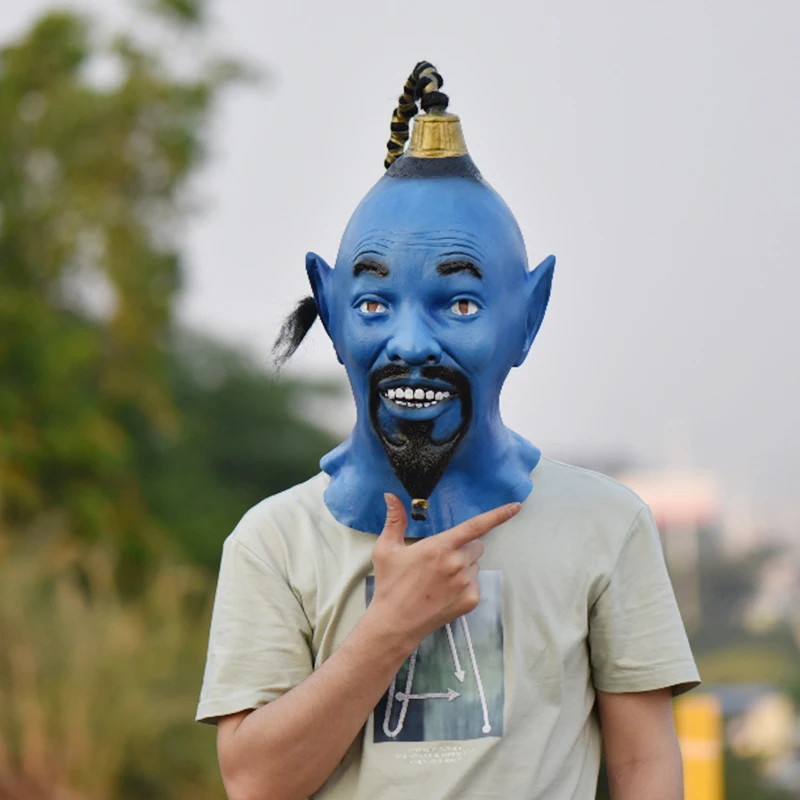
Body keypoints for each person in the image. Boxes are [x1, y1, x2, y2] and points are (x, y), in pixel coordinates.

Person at [196, 62, 700, 800]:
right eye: (373, 306)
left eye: (459, 305)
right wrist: (389, 627)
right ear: (331, 314)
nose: (409, 341)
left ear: (528, 314)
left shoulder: (606, 526)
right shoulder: (273, 544)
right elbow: (254, 783)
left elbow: (645, 767)